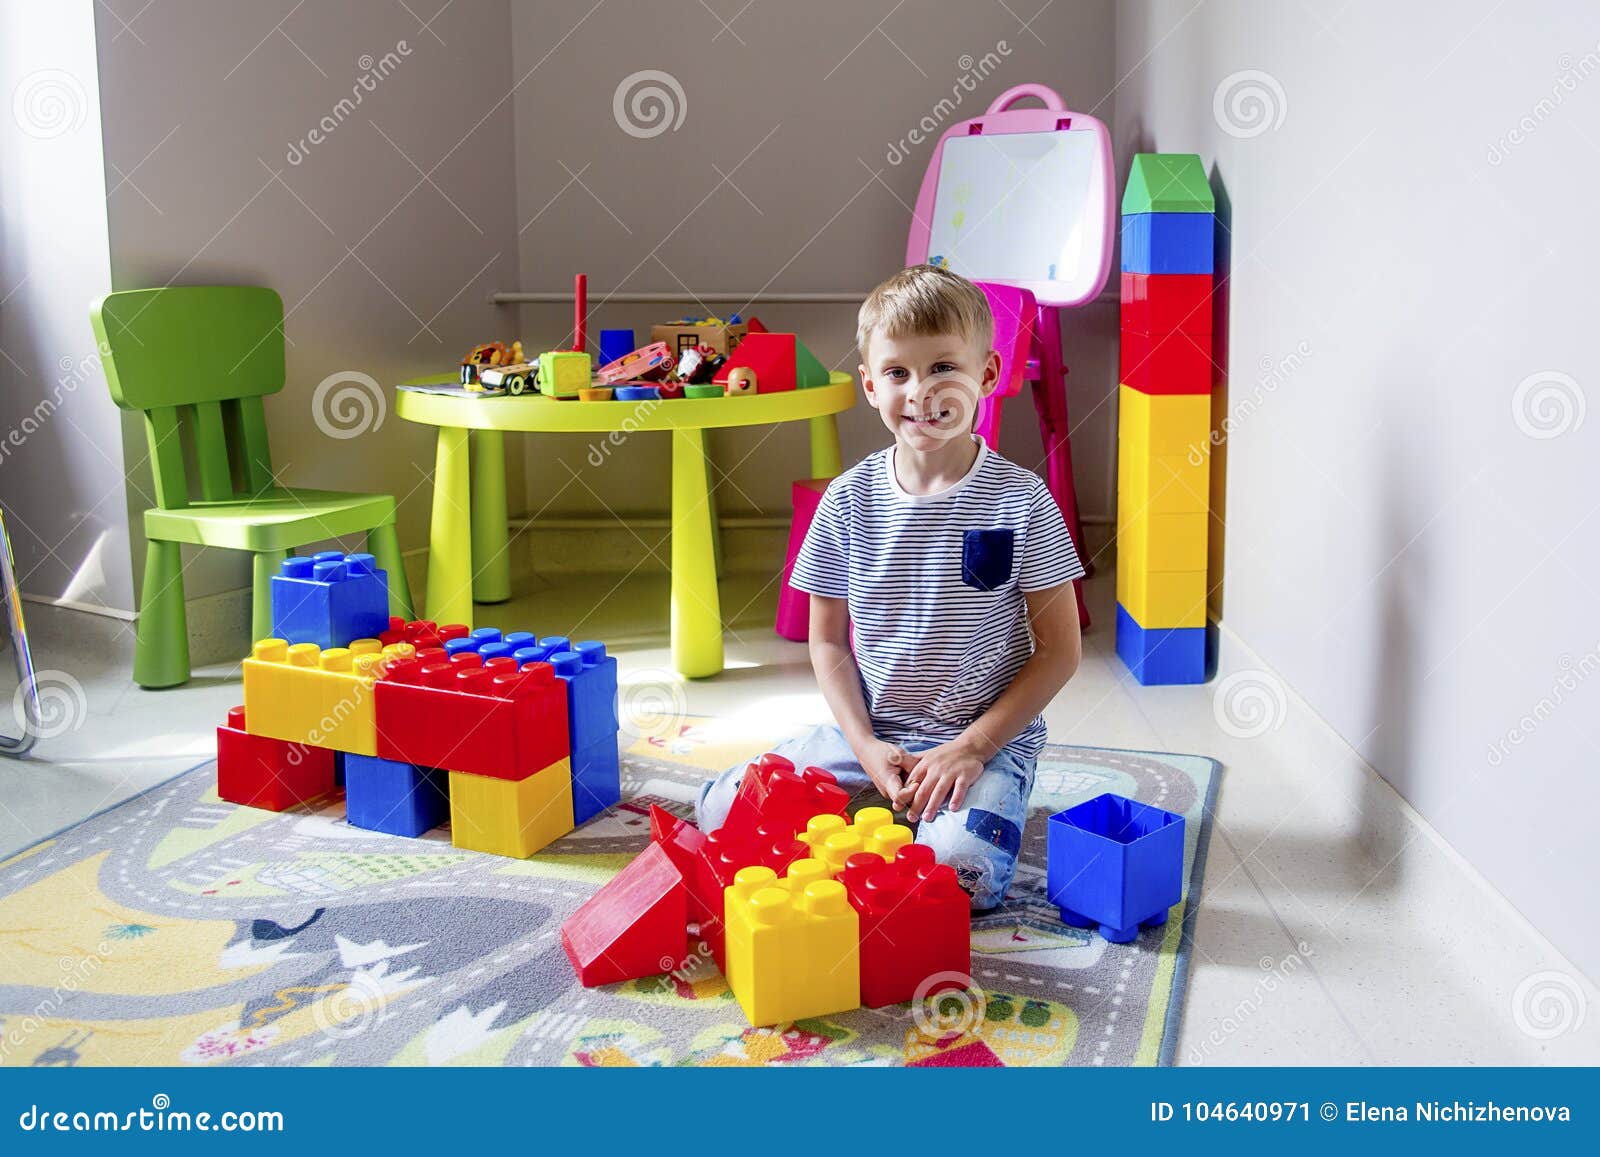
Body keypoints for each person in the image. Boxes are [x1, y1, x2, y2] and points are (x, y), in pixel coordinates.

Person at [696, 264, 1084, 909]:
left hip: (983, 740)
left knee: (962, 879)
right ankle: (884, 803)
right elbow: (827, 644)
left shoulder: (1022, 500)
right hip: (876, 734)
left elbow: (1059, 652)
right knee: (722, 810)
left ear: (985, 377)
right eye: (899, 373)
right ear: (871, 386)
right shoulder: (848, 499)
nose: (921, 393)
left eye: (943, 369)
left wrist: (974, 748)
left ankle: (920, 814)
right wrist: (865, 745)